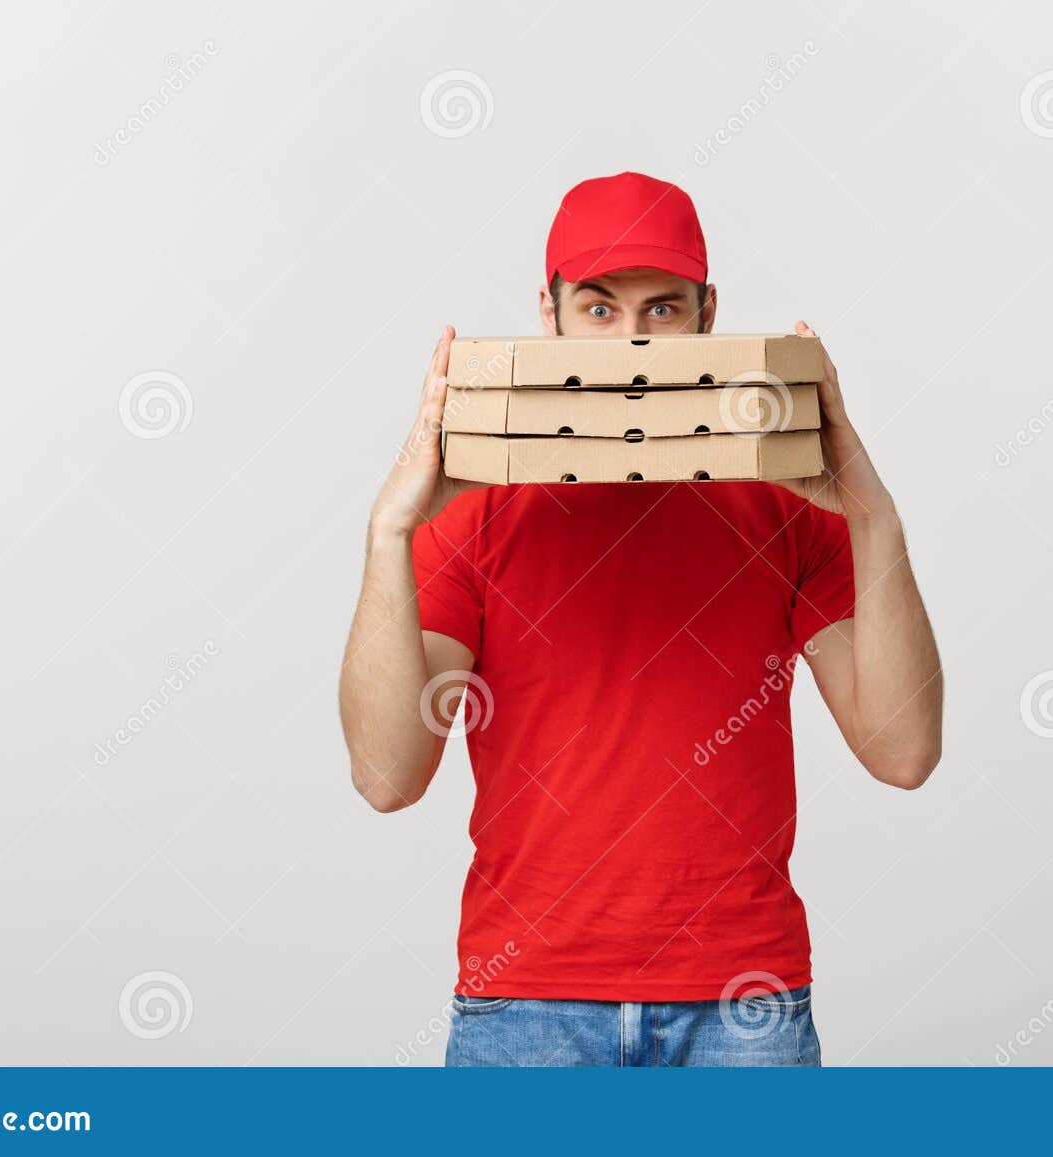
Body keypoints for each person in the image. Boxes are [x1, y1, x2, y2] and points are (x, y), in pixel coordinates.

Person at [339, 171, 943, 1066]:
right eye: (598, 308)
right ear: (547, 315)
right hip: (527, 1005)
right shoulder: (472, 509)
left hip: (745, 1006)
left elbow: (903, 751)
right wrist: (390, 529)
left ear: (707, 315)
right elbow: (388, 775)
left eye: (661, 310)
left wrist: (873, 514)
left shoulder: (783, 501)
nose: (630, 343)